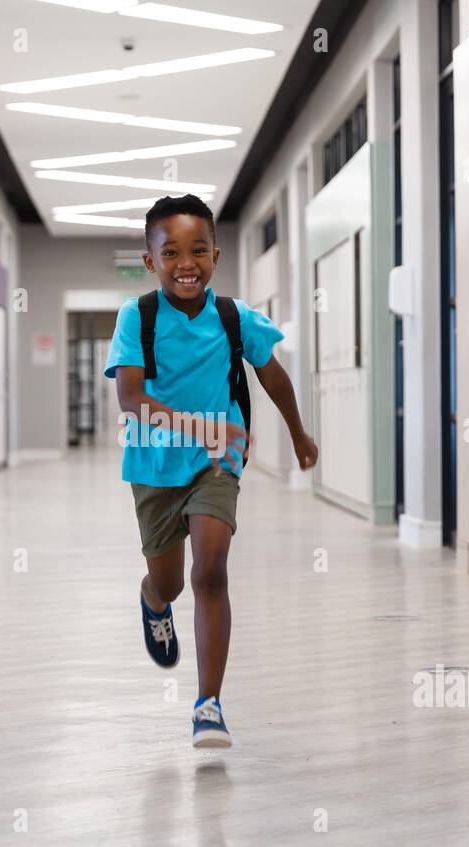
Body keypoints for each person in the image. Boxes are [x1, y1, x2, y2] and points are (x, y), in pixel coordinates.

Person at [104, 194, 319, 748]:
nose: (186, 264)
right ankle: (153, 601)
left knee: (211, 571)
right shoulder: (138, 316)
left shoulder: (234, 317)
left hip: (217, 461)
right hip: (153, 464)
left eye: (198, 250)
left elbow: (273, 377)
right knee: (172, 581)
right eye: (170, 252)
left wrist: (298, 433)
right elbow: (130, 397)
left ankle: (208, 705)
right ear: (150, 261)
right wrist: (201, 429)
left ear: (216, 255)